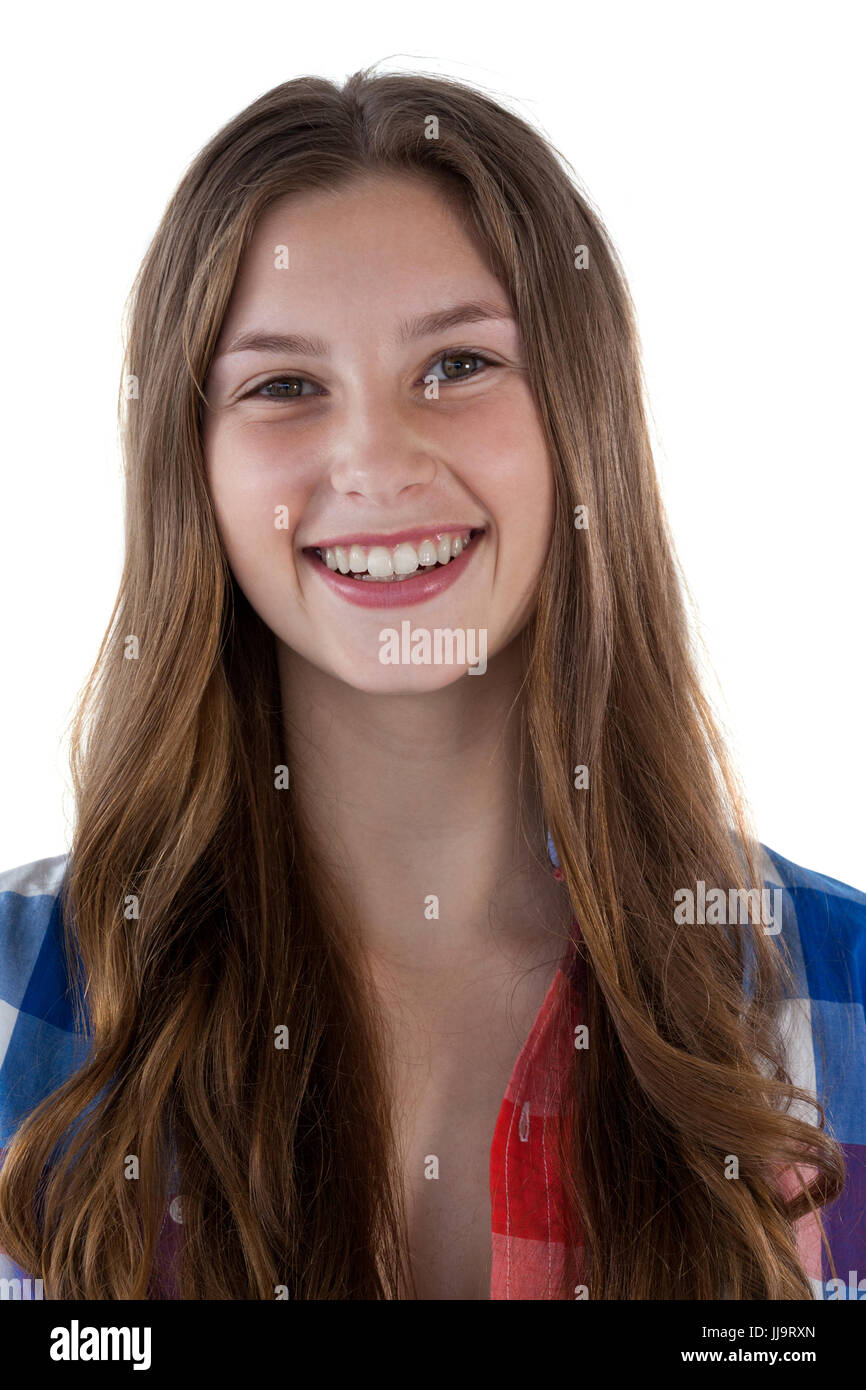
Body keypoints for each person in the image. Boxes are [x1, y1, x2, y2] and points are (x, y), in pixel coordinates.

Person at [0, 67, 863, 1301]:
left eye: (457, 365)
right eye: (283, 386)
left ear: (581, 420)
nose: (374, 460)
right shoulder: (10, 990)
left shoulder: (845, 993)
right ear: (192, 470)